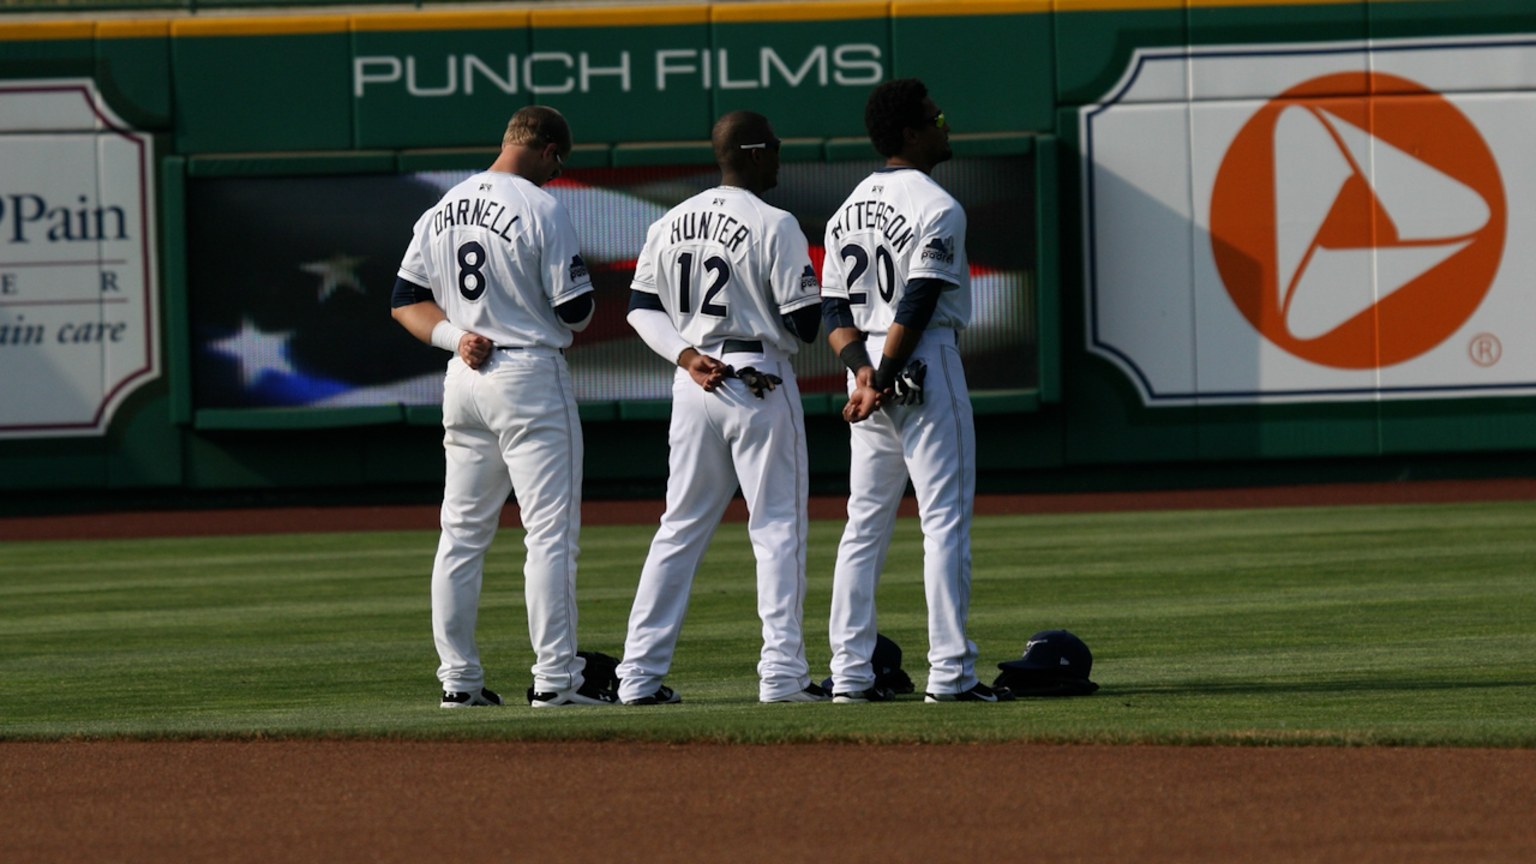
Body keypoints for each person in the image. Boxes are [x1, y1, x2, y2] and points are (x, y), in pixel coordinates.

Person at [390, 105, 615, 708]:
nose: (556, 171)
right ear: (548, 151)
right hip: (526, 374)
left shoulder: (443, 206)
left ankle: (459, 684)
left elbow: (405, 299)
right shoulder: (543, 206)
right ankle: (556, 680)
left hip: (462, 374)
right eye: (558, 161)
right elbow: (575, 312)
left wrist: (452, 337)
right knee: (548, 535)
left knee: (460, 535)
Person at [615, 110, 827, 705]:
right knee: (777, 529)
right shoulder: (775, 222)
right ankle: (782, 677)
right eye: (776, 147)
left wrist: (685, 356)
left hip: (696, 385)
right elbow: (805, 325)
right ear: (755, 153)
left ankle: (637, 679)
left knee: (678, 529)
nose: (781, 156)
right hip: (757, 379)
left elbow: (639, 308)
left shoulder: (672, 220)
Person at [821, 79, 1014, 703]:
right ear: (910, 132)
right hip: (919, 360)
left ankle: (850, 675)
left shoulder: (844, 209)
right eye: (936, 115)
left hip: (867, 372)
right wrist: (885, 371)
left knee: (863, 526)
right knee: (945, 524)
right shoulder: (937, 204)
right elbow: (920, 297)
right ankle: (951, 674)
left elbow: (832, 311)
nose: (944, 123)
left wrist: (861, 372)